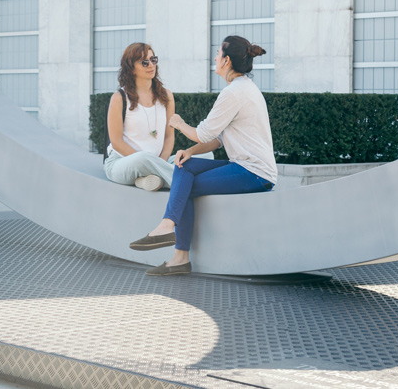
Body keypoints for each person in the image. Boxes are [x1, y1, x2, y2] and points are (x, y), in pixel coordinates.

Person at [128, 35, 277, 276]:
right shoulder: (242, 89)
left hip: (255, 173)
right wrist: (189, 151)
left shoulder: (234, 93)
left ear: (227, 60)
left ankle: (176, 248)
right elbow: (217, 139)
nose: (215, 58)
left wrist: (177, 122)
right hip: (242, 166)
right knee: (183, 167)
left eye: (218, 54)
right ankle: (172, 238)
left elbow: (202, 134)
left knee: (185, 184)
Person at [104, 42, 180, 191]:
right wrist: (150, 163)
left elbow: (169, 136)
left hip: (158, 162)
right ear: (131, 68)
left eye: (153, 60)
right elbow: (117, 142)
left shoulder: (167, 96)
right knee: (143, 158)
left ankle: (146, 180)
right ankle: (188, 184)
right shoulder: (119, 98)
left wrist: (160, 163)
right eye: (144, 62)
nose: (151, 65)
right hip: (123, 162)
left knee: (204, 156)